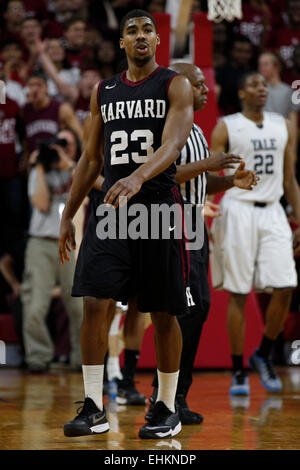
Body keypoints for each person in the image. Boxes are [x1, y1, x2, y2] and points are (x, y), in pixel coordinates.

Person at [59, 9, 194, 439]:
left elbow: (173, 142)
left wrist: (138, 176)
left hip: (156, 207)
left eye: (148, 30)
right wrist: (68, 212)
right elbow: (90, 159)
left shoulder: (175, 83)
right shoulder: (105, 89)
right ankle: (95, 406)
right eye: (132, 30)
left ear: (157, 41)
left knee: (163, 310)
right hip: (112, 207)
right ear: (122, 43)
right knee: (94, 302)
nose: (141, 35)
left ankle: (166, 406)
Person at [124, 63, 258, 424]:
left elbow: (197, 183)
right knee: (180, 310)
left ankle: (176, 396)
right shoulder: (165, 128)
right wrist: (206, 165)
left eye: (204, 85)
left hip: (194, 222)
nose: (205, 90)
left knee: (198, 309)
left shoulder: (195, 128)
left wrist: (230, 181)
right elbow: (165, 176)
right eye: (197, 84)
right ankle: (162, 396)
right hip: (171, 223)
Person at [210, 71, 300, 395]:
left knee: (286, 286)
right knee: (238, 292)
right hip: (237, 209)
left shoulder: (284, 125)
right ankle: (237, 370)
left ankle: (262, 353)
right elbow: (209, 174)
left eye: (264, 84)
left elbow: (290, 179)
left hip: (273, 209)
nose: (261, 88)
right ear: (241, 93)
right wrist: (206, 208)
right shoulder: (226, 126)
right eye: (253, 85)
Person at [21, 133, 83, 373]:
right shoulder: (39, 172)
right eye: (57, 143)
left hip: (71, 243)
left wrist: (68, 165)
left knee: (77, 305)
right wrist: (38, 166)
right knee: (35, 305)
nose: (60, 147)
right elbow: (42, 204)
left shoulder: (79, 169)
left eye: (66, 143)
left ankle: (80, 358)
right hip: (41, 243)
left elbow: (88, 186)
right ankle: (38, 357)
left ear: (73, 148)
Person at [22, 70, 83, 157]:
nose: (35, 89)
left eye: (39, 85)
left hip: (59, 162)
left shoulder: (62, 108)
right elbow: (24, 140)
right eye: (31, 85)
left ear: (46, 87)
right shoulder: (24, 110)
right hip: (36, 162)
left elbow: (80, 135)